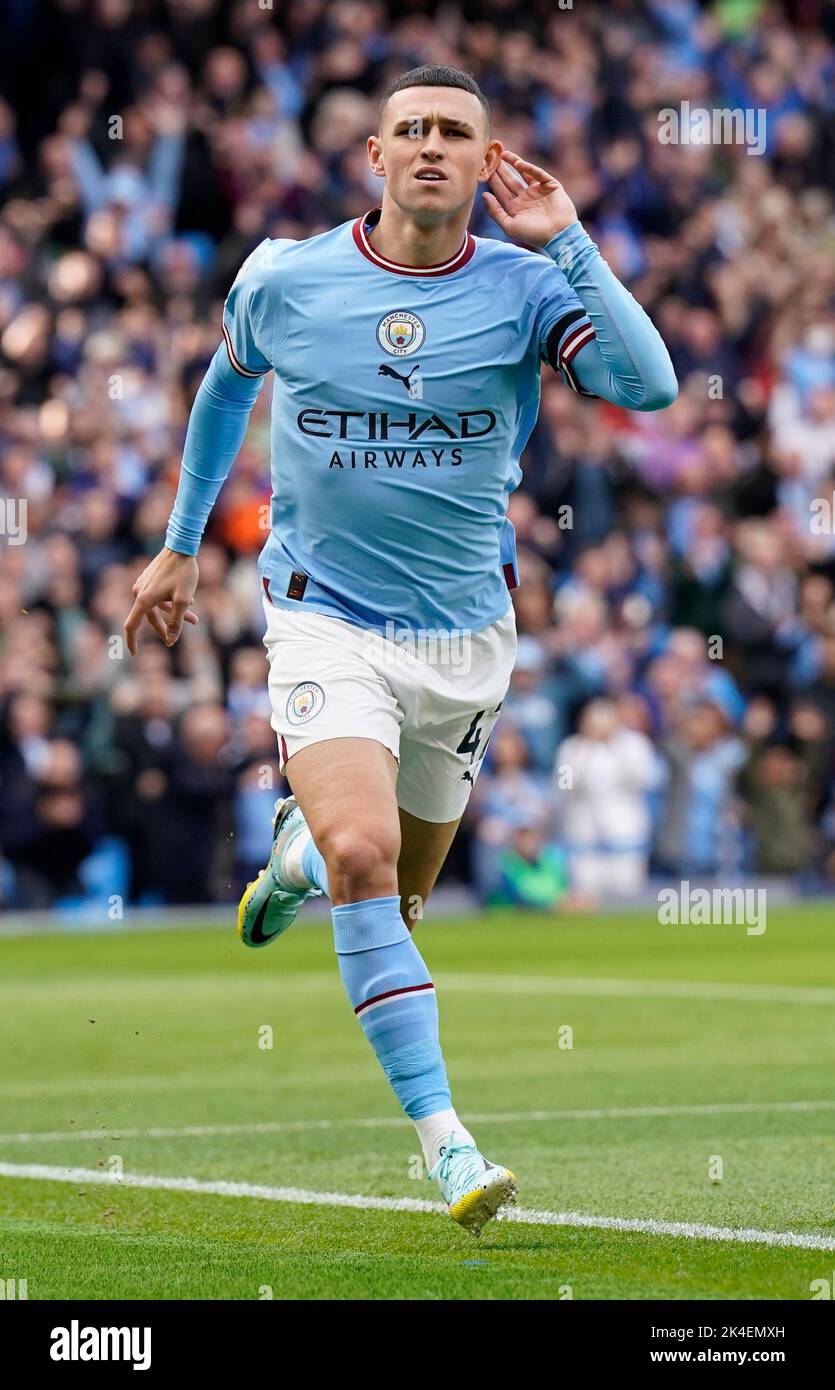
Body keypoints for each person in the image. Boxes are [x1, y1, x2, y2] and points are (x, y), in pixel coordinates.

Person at [122, 64, 677, 1236]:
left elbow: (651, 384)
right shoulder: (286, 277)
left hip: (466, 639)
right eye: (410, 130)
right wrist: (180, 546)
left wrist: (571, 239)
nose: (430, 146)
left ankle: (294, 860)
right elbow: (224, 392)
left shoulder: (527, 289)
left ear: (486, 165)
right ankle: (449, 1144)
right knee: (368, 853)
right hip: (325, 616)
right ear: (372, 157)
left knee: (395, 895)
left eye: (455, 134)